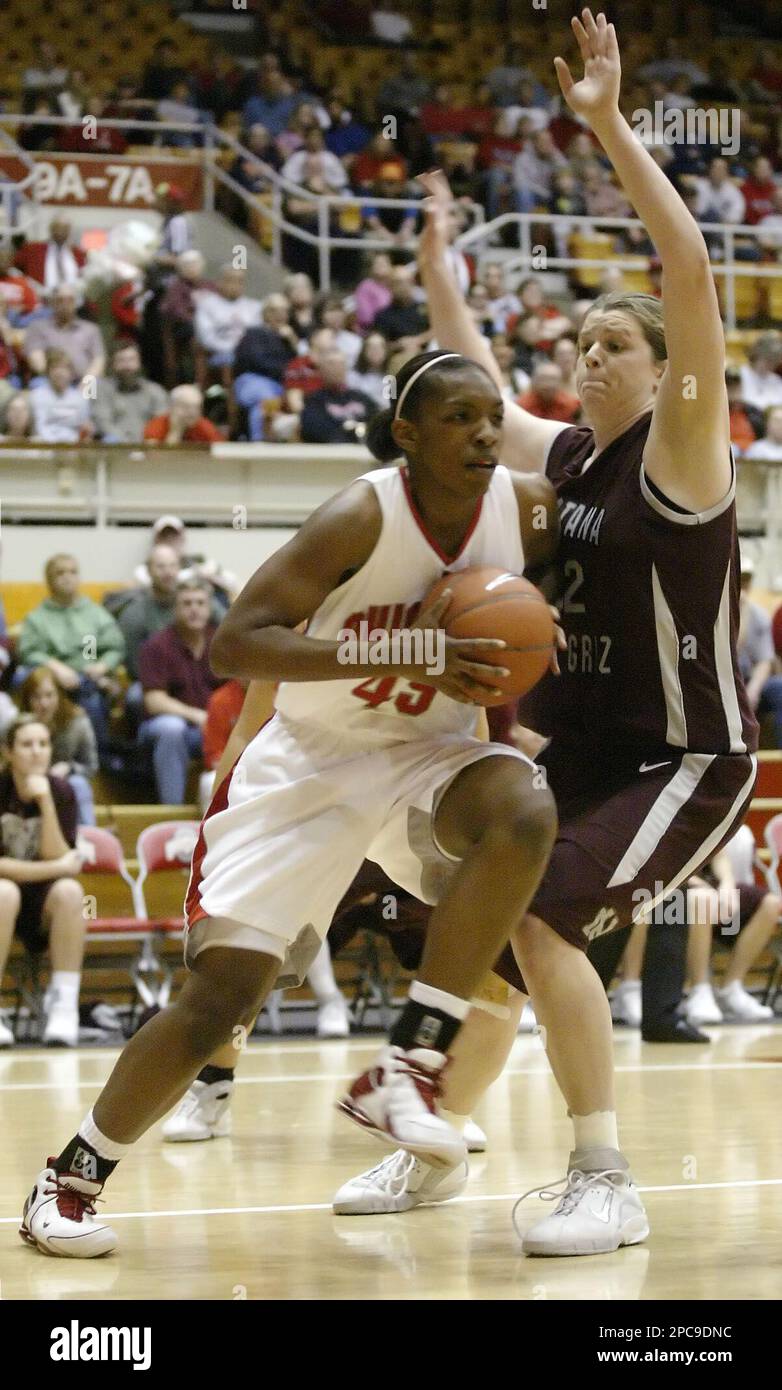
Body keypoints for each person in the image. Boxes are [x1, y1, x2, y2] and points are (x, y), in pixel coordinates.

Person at [352, 11, 758, 1252]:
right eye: (579, 342)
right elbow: (475, 381)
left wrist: (605, 126)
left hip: (679, 759)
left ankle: (603, 1174)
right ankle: (437, 1140)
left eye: (613, 344)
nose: (587, 357)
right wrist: (435, 274)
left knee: (532, 920)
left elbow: (686, 276)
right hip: (580, 749)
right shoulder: (570, 451)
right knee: (482, 915)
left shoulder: (681, 455)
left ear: (661, 366)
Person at [19, 345, 563, 1257]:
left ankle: (411, 1060)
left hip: (426, 755)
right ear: (406, 434)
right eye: (459, 418)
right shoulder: (360, 513)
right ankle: (70, 1179)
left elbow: (628, 527)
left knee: (526, 807)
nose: (483, 434)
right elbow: (237, 643)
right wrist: (399, 655)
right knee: (221, 997)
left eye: (492, 417)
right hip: (309, 763)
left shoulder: (527, 510)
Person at [0, 715, 84, 1049]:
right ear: (8, 752)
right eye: (26, 745)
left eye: (43, 744)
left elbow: (58, 858)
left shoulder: (62, 791)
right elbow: (59, 864)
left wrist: (46, 802)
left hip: (41, 901)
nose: (37, 752)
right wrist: (58, 867)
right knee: (4, 892)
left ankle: (64, 1006)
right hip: (4, 898)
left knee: (70, 892)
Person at [15, 554, 125, 749]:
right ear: (49, 580)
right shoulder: (38, 618)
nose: (68, 577)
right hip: (51, 679)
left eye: (73, 572)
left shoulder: (94, 614)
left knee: (93, 693)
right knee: (23, 677)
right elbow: (29, 652)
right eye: (60, 573)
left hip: (87, 676)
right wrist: (56, 668)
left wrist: (101, 666)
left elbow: (114, 648)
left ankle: (99, 756)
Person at [136, 578, 224, 805]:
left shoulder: (222, 643)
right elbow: (154, 701)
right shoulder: (156, 646)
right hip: (168, 729)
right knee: (171, 729)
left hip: (214, 727)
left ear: (209, 608)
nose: (194, 609)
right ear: (175, 608)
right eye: (186, 603)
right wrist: (197, 716)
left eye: (200, 603)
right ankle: (172, 812)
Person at [683, 836, 779, 1025]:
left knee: (770, 903)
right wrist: (697, 883)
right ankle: (699, 989)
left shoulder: (706, 813)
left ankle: (731, 987)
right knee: (703, 900)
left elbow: (719, 854)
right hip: (669, 889)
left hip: (709, 885)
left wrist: (727, 884)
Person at [15, 668, 98, 826]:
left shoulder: (78, 722)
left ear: (59, 695)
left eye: (49, 695)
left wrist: (70, 768)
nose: (44, 704)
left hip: (64, 784)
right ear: (27, 699)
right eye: (36, 697)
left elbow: (91, 766)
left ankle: (87, 840)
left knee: (79, 784)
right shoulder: (17, 726)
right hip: (25, 784)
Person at [737, 556, 782, 748]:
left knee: (779, 687)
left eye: (747, 580)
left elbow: (765, 660)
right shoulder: (708, 611)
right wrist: (742, 613)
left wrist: (753, 689)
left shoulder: (759, 615)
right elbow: (733, 651)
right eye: (740, 579)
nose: (744, 584)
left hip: (748, 680)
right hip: (718, 680)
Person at [23, 286, 105, 382]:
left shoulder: (91, 329)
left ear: (77, 303)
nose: (65, 304)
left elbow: (98, 360)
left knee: (96, 389)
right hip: (50, 381)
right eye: (60, 300)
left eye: (70, 300)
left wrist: (87, 383)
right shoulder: (37, 328)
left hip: (84, 381)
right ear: (52, 303)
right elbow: (37, 362)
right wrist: (58, 379)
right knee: (38, 384)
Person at [300, 347, 378, 443]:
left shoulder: (361, 398)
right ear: (320, 369)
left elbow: (378, 424)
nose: (337, 368)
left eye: (341, 364)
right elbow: (317, 432)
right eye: (331, 364)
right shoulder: (314, 401)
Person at [92, 343, 168, 443]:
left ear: (140, 362)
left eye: (131, 360)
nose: (127, 365)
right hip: (115, 447)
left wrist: (148, 441)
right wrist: (127, 444)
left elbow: (161, 421)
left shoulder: (155, 391)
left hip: (148, 446)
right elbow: (103, 423)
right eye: (121, 360)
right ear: (112, 364)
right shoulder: (101, 390)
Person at [29, 351, 93, 444]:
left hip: (73, 447)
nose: (59, 372)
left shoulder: (81, 399)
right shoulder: (36, 396)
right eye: (55, 368)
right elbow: (39, 428)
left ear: (72, 373)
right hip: (44, 445)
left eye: (64, 368)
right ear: (48, 372)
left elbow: (83, 429)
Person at [14, 217, 87, 296]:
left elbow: (83, 275)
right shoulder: (32, 249)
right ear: (51, 229)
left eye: (65, 229)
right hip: (42, 298)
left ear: (69, 232)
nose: (60, 232)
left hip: (70, 300)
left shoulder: (78, 253)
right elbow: (14, 269)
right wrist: (28, 284)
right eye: (57, 228)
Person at [143, 385, 224, 444]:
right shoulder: (156, 425)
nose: (193, 413)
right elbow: (154, 459)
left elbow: (221, 451)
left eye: (197, 407)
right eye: (186, 407)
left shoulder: (203, 425)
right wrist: (176, 432)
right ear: (172, 407)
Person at [516, 361, 580, 423]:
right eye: (544, 379)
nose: (548, 384)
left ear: (560, 382)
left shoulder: (572, 406)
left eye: (553, 379)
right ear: (534, 382)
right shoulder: (521, 406)